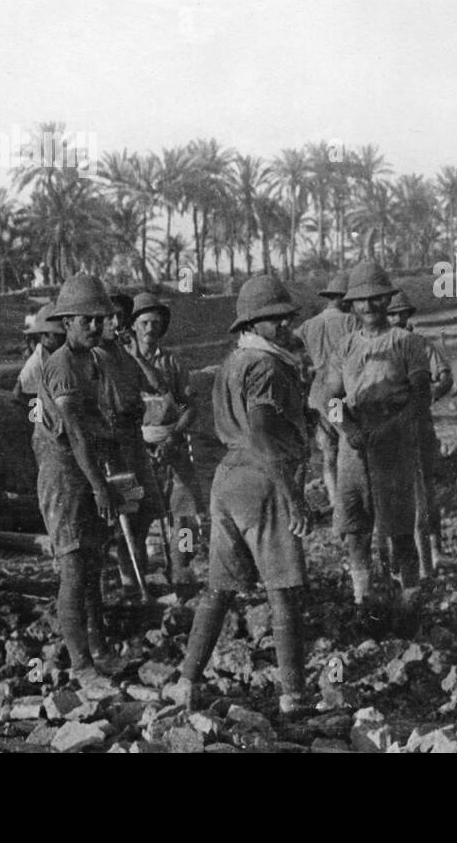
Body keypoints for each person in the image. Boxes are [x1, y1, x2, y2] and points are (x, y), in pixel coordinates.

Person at [171, 273, 312, 713]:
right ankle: (292, 694)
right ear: (255, 325)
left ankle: (186, 682)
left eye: (287, 318)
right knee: (283, 588)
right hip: (262, 476)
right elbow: (263, 436)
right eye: (277, 321)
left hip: (228, 478)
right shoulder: (267, 367)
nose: (286, 326)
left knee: (219, 588)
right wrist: (293, 496)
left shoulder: (233, 362)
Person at [318, 261, 431, 622]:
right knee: (355, 524)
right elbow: (330, 399)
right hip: (355, 440)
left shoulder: (407, 343)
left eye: (376, 299)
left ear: (387, 298)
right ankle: (362, 598)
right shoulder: (345, 346)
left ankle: (409, 599)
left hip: (394, 437)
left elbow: (419, 399)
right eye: (361, 301)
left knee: (399, 526)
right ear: (351, 305)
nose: (369, 307)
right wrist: (346, 429)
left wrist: (390, 428)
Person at [33, 274, 121, 685]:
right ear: (66, 322)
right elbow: (76, 431)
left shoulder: (95, 361)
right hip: (64, 473)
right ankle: (81, 665)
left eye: (99, 319)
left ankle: (99, 649)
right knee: (73, 566)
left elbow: (98, 422)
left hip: (86, 468)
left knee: (92, 564)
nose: (94, 327)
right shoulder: (62, 366)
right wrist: (101, 486)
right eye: (86, 320)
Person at [130, 291, 204, 585]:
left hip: (171, 444)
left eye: (156, 324)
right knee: (138, 519)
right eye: (145, 323)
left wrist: (174, 436)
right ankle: (137, 582)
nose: (150, 330)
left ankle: (181, 570)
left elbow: (190, 407)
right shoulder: (123, 364)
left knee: (183, 516)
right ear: (133, 326)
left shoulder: (172, 362)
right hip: (137, 448)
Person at [97, 294, 167, 601]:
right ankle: (104, 591)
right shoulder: (92, 357)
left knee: (142, 513)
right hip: (108, 440)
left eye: (120, 318)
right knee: (110, 520)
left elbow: (155, 385)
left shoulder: (124, 354)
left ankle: (134, 582)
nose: (116, 323)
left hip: (133, 438)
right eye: (110, 317)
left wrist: (135, 354)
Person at [388, 289, 453, 577]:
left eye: (402, 314)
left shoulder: (421, 345)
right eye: (392, 314)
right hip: (390, 432)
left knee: (427, 491)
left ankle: (435, 551)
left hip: (421, 426)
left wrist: (431, 394)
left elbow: (445, 376)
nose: (398, 319)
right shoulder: (377, 349)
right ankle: (399, 562)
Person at [296, 272, 359, 514]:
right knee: (350, 444)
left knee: (327, 450)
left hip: (316, 394)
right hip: (341, 392)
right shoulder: (350, 322)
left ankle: (334, 500)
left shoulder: (309, 325)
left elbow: (294, 352)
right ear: (344, 299)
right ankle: (351, 501)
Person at [14, 303, 65, 403]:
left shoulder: (53, 356)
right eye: (59, 336)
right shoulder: (36, 363)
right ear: (46, 335)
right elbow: (19, 391)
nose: (63, 339)